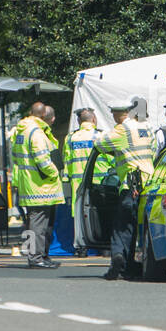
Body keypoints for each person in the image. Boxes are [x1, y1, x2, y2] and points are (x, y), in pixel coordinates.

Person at [95, 98, 155, 280]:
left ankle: (119, 259)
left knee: (123, 227)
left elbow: (99, 144)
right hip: (149, 183)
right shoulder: (147, 128)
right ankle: (133, 265)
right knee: (141, 226)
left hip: (131, 185)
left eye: (113, 113)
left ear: (119, 113)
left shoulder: (123, 130)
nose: (112, 116)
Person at [9, 101, 64, 269]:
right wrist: (54, 173)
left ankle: (40, 256)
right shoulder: (36, 133)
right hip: (41, 186)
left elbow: (16, 155)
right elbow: (42, 159)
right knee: (38, 224)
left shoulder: (22, 131)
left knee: (38, 223)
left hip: (30, 183)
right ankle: (36, 257)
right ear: (42, 115)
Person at [62, 108, 113, 256]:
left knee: (79, 216)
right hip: (99, 182)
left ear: (79, 121)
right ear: (94, 119)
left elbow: (68, 162)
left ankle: (81, 248)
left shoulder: (71, 138)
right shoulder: (101, 136)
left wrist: (66, 181)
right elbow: (111, 159)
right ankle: (104, 247)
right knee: (100, 214)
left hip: (78, 183)